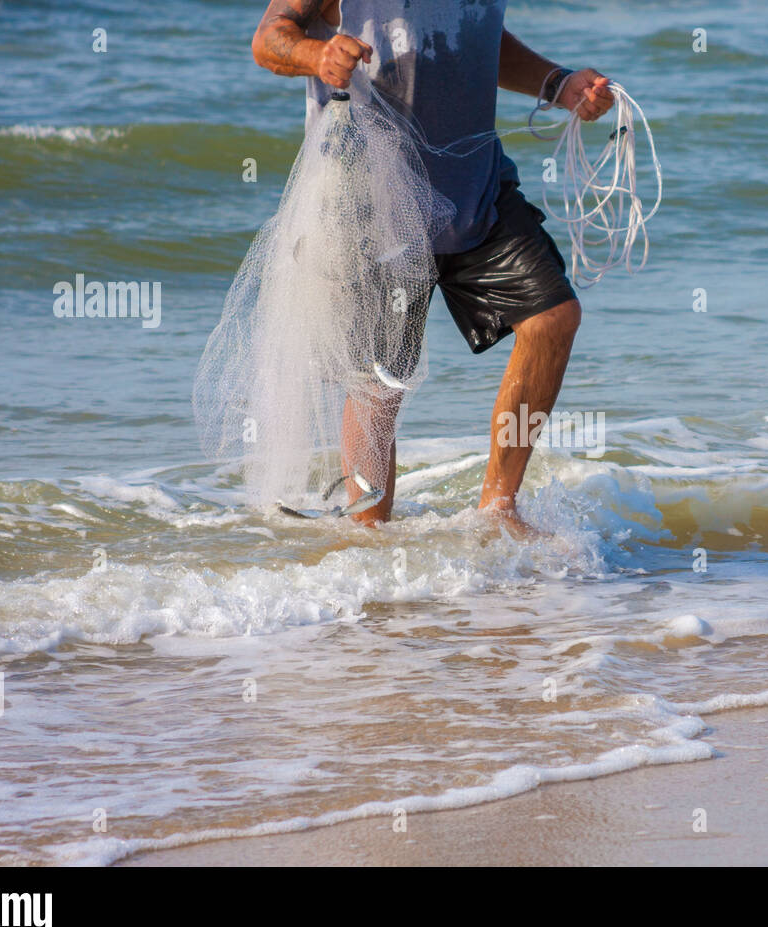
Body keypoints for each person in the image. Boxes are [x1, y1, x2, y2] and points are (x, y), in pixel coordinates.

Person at [251, 1, 614, 531]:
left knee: (552, 317)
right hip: (369, 184)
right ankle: (368, 538)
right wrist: (317, 53)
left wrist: (556, 83)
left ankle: (498, 512)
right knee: (381, 380)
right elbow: (269, 37)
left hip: (474, 180)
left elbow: (475, 38)